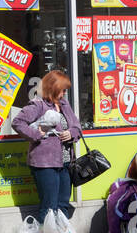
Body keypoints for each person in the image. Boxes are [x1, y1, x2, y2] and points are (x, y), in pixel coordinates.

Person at [13, 70, 84, 223]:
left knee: (63, 205)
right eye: (62, 90)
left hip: (66, 163)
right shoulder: (38, 105)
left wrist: (71, 133)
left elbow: (77, 126)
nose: (65, 93)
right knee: (49, 207)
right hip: (45, 163)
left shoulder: (65, 104)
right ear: (52, 87)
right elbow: (17, 122)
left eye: (66, 90)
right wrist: (37, 134)